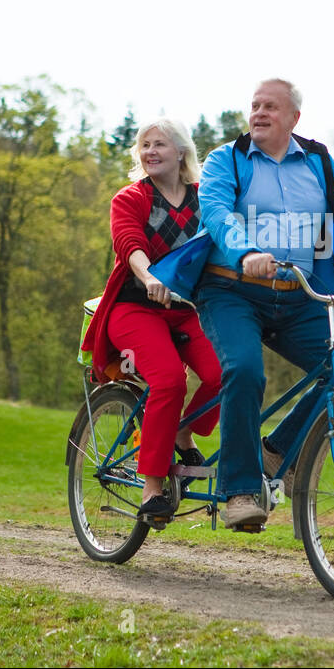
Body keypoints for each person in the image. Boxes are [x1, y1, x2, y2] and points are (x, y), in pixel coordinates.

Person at [194, 79, 334, 530]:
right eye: (254, 106)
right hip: (231, 289)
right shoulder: (225, 159)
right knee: (246, 371)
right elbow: (215, 211)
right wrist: (245, 252)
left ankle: (277, 451)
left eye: (270, 106)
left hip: (296, 293)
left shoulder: (319, 161)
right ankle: (240, 491)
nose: (259, 113)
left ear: (294, 118)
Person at [81, 118, 222, 523]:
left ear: (181, 153)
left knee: (227, 371)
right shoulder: (130, 199)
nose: (150, 152)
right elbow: (129, 245)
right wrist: (150, 277)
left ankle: (183, 431)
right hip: (134, 308)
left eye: (159, 144)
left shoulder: (204, 199)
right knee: (170, 381)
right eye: (144, 146)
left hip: (185, 309)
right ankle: (152, 489)